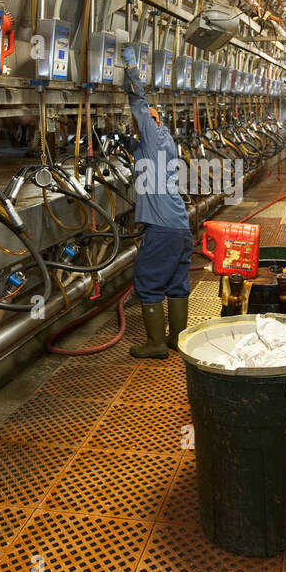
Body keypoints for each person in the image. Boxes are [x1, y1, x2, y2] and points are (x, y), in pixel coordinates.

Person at [120, 45, 191, 358]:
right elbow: (144, 154)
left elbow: (138, 100)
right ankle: (177, 338)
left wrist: (131, 67)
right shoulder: (165, 138)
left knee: (147, 282)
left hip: (161, 228)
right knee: (176, 283)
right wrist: (128, 143)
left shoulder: (148, 128)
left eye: (138, 123)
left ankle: (156, 344)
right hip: (180, 225)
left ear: (147, 122)